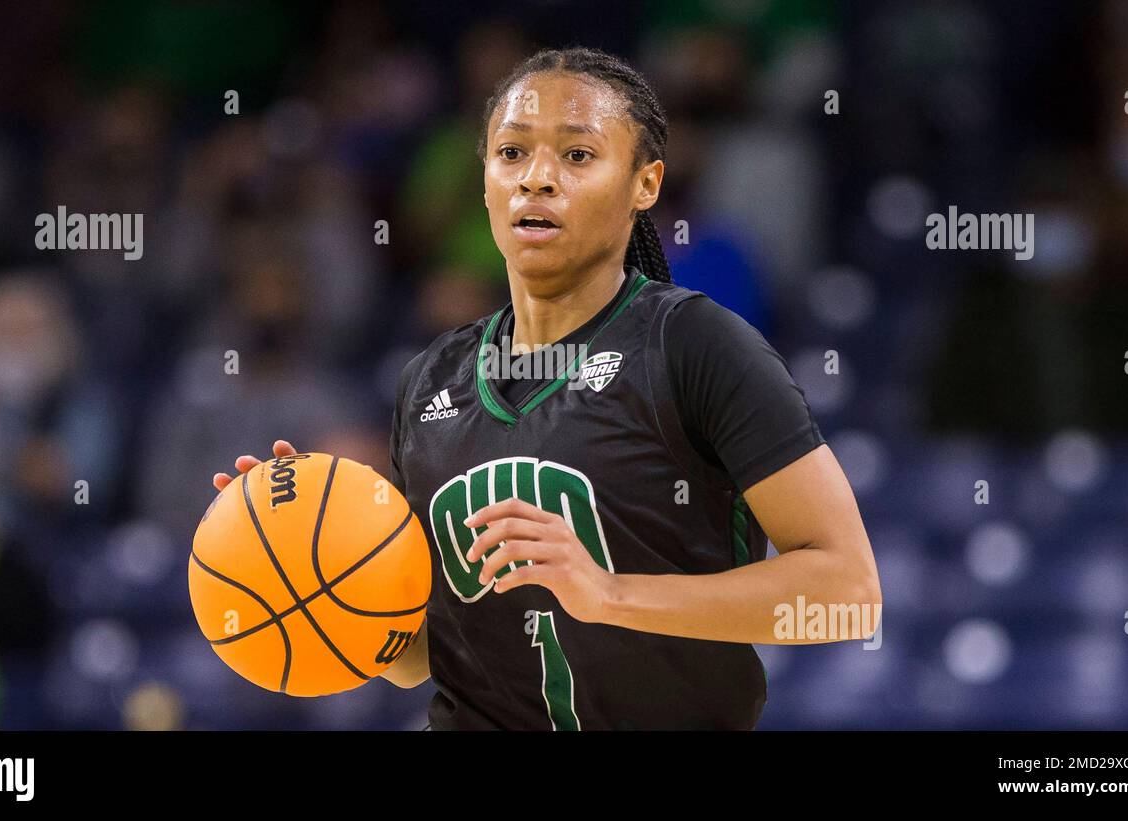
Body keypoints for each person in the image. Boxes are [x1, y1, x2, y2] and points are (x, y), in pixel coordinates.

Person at [213, 47, 880, 730]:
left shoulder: (696, 346)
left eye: (578, 155)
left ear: (644, 183)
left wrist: (610, 593)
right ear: (485, 183)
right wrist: (309, 558)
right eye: (511, 153)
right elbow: (416, 655)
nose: (537, 178)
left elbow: (849, 592)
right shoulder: (430, 380)